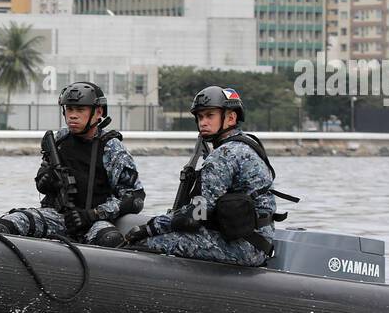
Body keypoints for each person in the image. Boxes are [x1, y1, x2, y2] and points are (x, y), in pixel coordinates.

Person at [117, 86, 288, 267]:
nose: (203, 123)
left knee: (144, 246)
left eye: (209, 116)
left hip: (244, 248)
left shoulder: (224, 155)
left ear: (231, 117)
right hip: (256, 243)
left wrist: (149, 228)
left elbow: (197, 213)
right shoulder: (248, 144)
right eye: (200, 117)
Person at [0, 82, 144, 245]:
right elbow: (42, 180)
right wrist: (46, 180)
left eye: (80, 110)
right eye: (69, 109)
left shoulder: (112, 148)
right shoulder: (60, 139)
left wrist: (93, 214)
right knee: (8, 224)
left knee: (110, 239)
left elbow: (134, 199)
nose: (73, 115)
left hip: (93, 221)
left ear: (98, 112)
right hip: (58, 216)